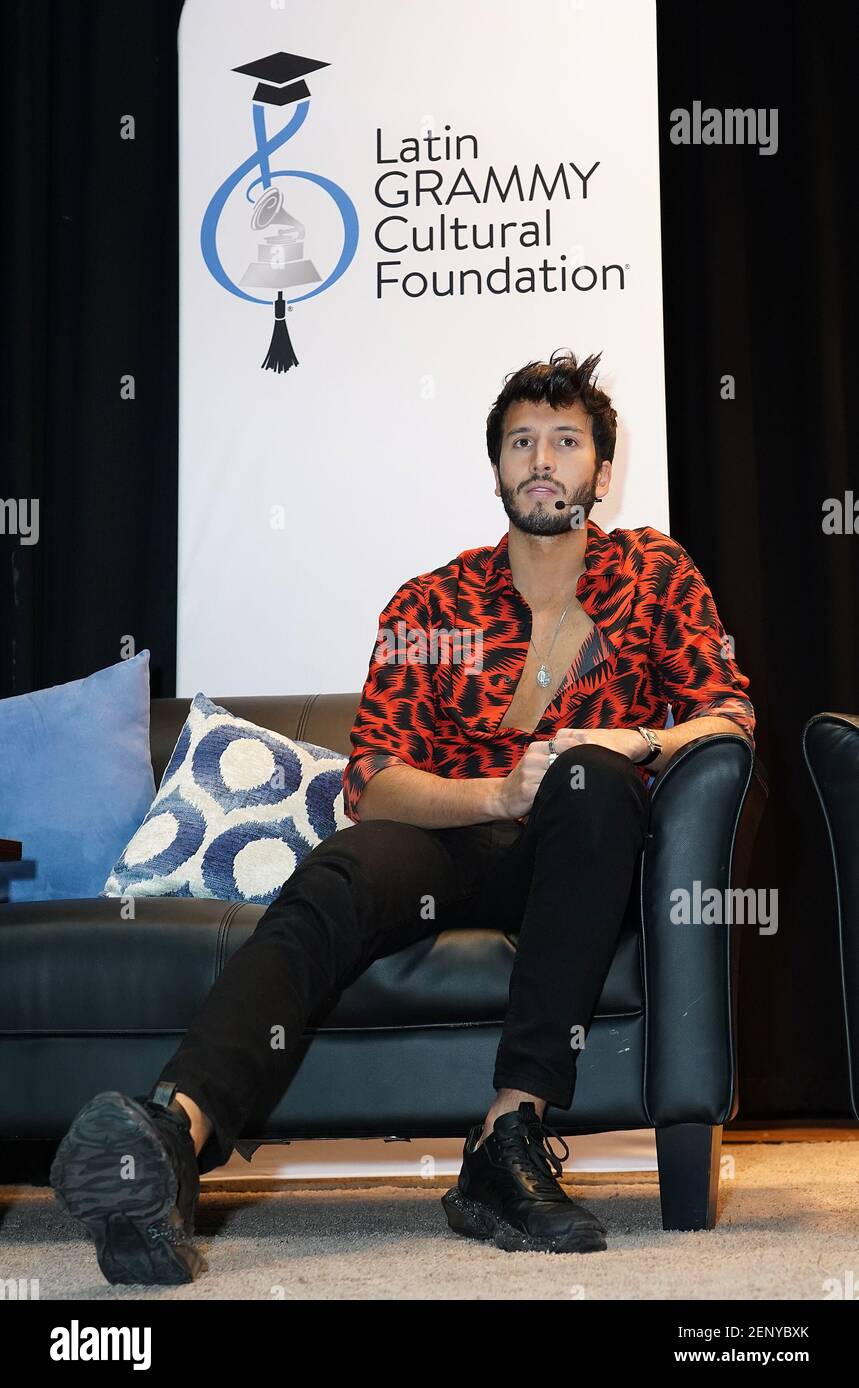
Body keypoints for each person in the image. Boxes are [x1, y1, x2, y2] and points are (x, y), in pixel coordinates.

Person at [50, 349, 756, 1283]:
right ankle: (170, 1139)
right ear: (497, 468)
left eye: (565, 441)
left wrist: (628, 740)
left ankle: (507, 1142)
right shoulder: (433, 602)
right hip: (458, 838)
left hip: (586, 845)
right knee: (344, 868)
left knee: (587, 778)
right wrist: (499, 795)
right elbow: (374, 777)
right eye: (520, 443)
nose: (542, 459)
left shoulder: (652, 574)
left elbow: (728, 711)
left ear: (599, 468)